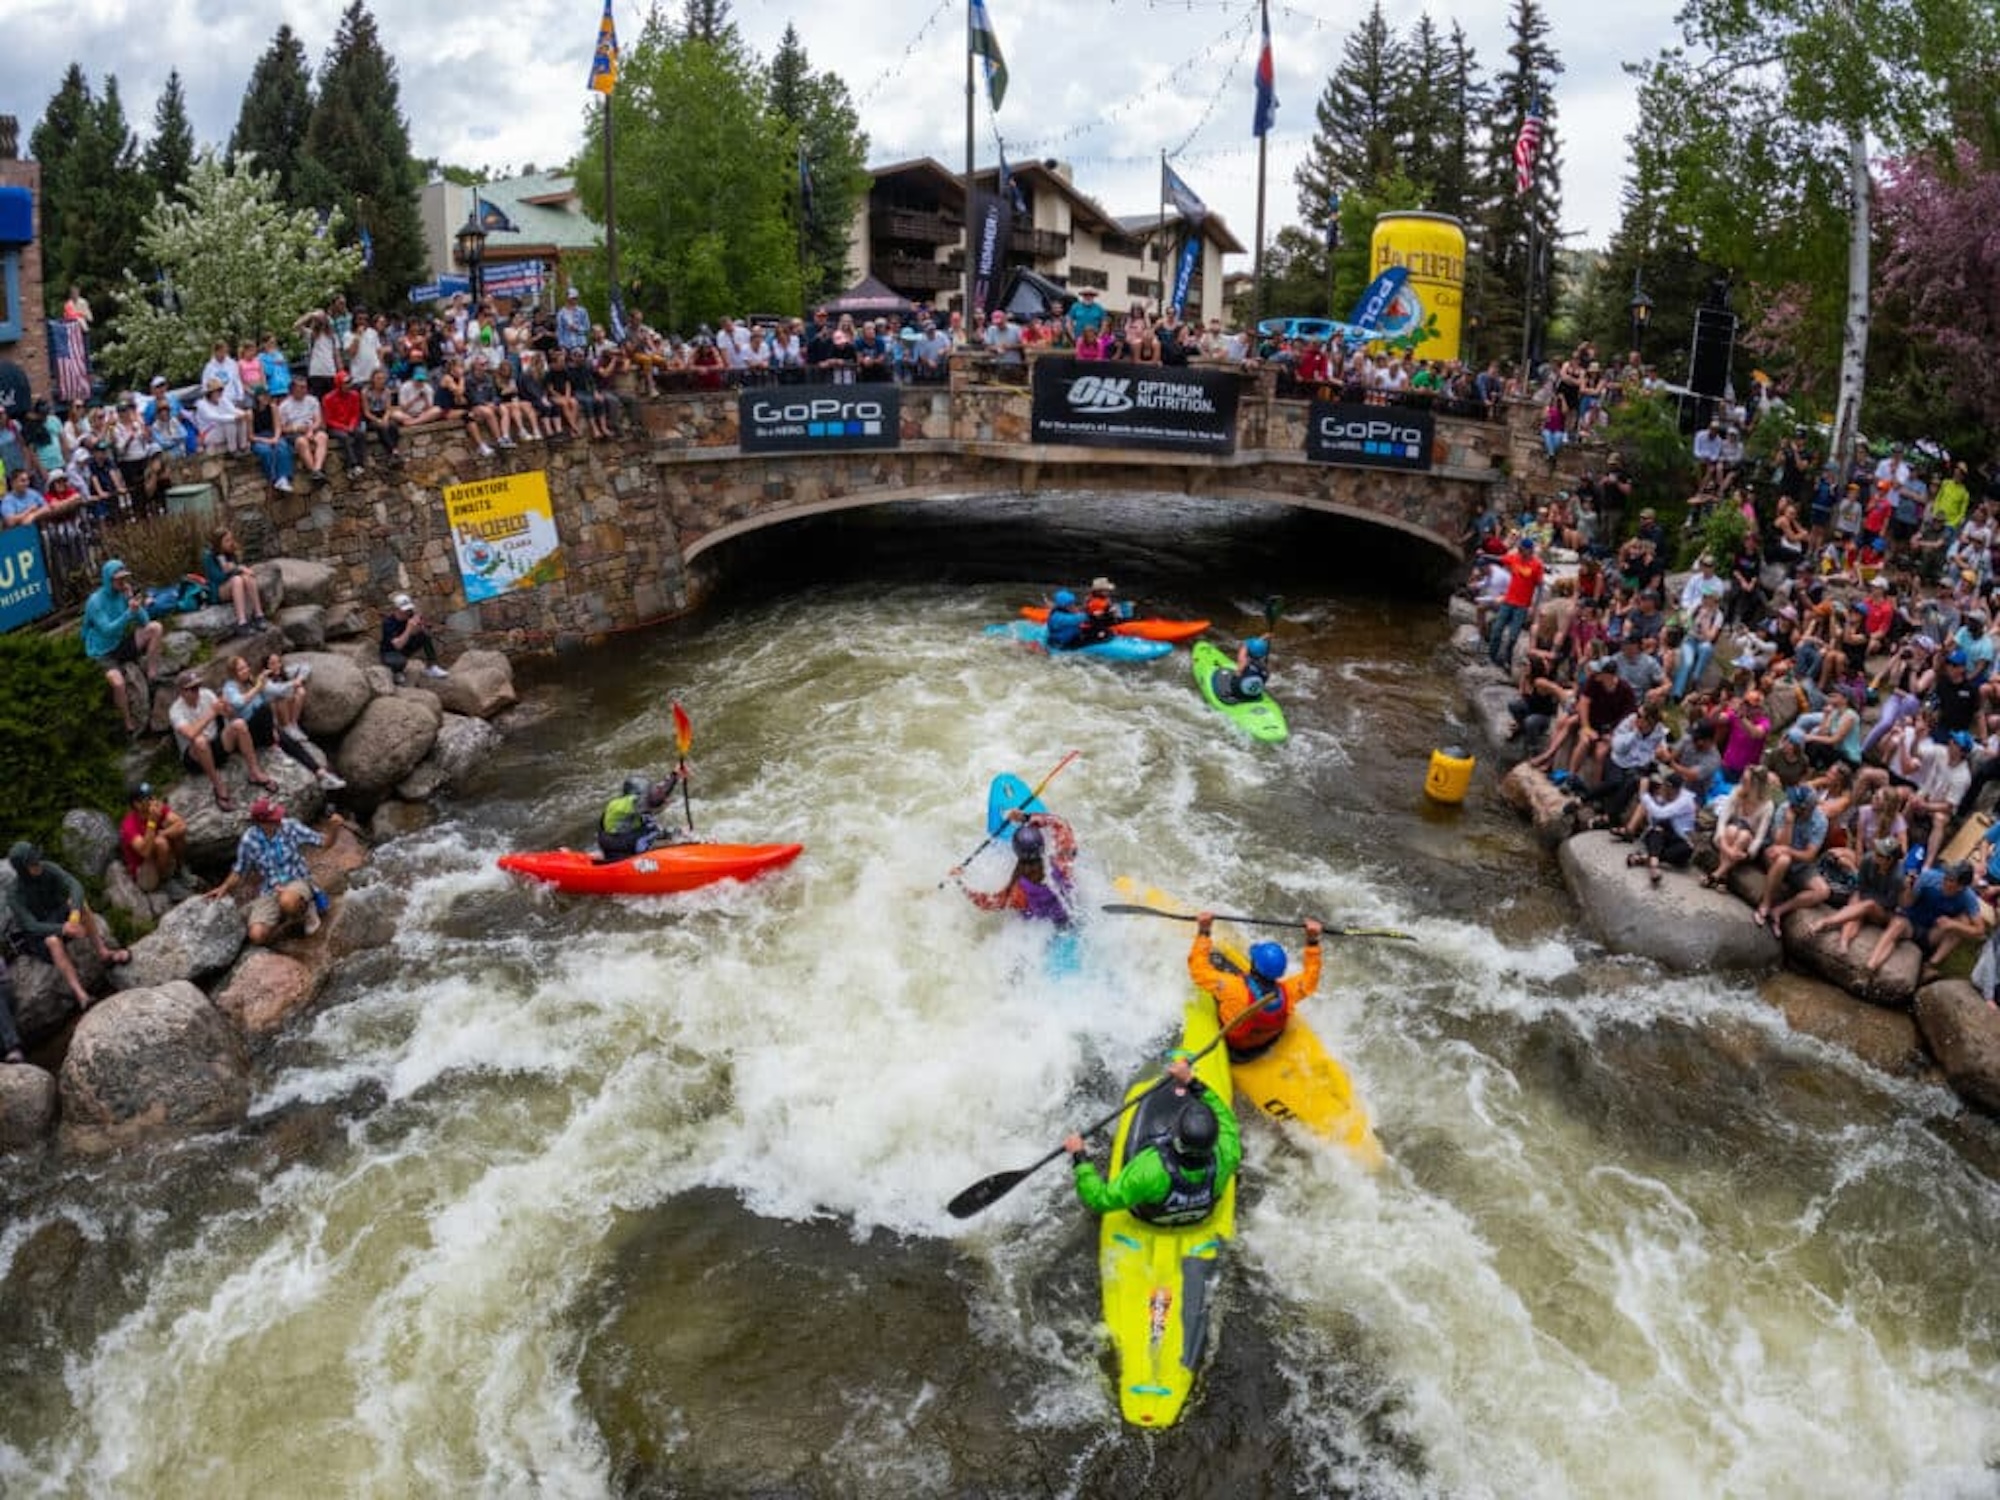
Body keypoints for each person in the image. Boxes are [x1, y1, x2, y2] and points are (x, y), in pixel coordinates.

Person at [1062, 1052, 1241, 1224]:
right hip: (1200, 1216)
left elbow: (1099, 1200)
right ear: (1215, 1138)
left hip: (1151, 1219)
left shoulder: (1149, 1169)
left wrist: (1080, 1157)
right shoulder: (1229, 1152)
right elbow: (1226, 1118)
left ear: (1176, 1136)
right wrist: (1191, 1081)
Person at [6, 841, 129, 1012]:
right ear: (23, 870)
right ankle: (81, 995)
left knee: (80, 905)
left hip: (58, 914)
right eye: (33, 863)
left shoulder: (48, 868)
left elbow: (74, 885)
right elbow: (30, 925)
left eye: (38, 860)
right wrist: (63, 929)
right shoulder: (14, 894)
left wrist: (74, 915)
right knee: (53, 941)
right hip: (39, 934)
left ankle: (103, 953)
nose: (38, 864)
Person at [1187, 911, 1322, 1059]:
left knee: (1214, 961)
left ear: (1254, 965)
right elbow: (1311, 977)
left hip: (1234, 1047)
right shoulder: (1289, 992)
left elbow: (1197, 970)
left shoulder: (1233, 987)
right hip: (1263, 1045)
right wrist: (1313, 941)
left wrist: (1204, 931)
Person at [206, 797, 339, 943]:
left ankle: (306, 908)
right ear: (260, 823)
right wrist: (224, 887)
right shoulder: (249, 840)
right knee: (257, 935)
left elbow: (324, 843)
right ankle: (284, 921)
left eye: (277, 816)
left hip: (298, 879)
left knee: (288, 900)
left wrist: (334, 829)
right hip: (271, 889)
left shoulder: (290, 826)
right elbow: (239, 870)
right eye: (273, 819)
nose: (279, 820)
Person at [169, 668, 275, 811]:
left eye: (198, 686)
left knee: (239, 724)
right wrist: (212, 712)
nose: (197, 691)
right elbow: (190, 733)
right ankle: (218, 785)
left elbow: (229, 716)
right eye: (192, 689)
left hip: (216, 744)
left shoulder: (206, 694)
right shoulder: (176, 710)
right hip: (195, 757)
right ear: (182, 692)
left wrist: (226, 708)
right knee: (200, 741)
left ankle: (254, 772)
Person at [81, 559, 165, 736]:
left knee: (155, 628)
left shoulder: (123, 594)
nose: (123, 583)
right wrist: (128, 613)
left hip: (119, 643)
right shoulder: (95, 602)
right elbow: (107, 630)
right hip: (102, 652)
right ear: (108, 580)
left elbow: (144, 621)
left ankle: (152, 675)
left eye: (124, 578)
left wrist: (132, 601)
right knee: (118, 683)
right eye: (118, 580)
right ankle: (128, 723)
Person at [952, 810, 1076, 924]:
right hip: (1071, 914)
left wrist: (960, 882)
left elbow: (986, 903)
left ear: (1016, 851)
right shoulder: (1063, 862)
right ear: (1042, 846)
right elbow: (1061, 824)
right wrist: (1026, 817)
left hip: (1041, 926)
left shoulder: (1017, 892)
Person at [118, 781, 189, 894]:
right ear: (137, 804)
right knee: (161, 843)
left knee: (176, 834)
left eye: (152, 795)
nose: (153, 800)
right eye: (148, 798)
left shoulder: (157, 808)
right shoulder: (128, 825)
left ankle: (180, 868)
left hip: (158, 853)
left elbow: (182, 826)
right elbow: (145, 852)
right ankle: (166, 881)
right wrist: (152, 822)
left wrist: (163, 833)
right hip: (143, 867)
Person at [598, 771, 687, 859]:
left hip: (629, 844)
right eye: (647, 792)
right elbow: (654, 800)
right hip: (619, 850)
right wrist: (673, 778)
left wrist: (675, 776)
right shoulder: (621, 804)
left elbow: (657, 795)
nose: (651, 793)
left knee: (667, 831)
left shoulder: (638, 811)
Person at [203, 526, 269, 636]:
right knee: (237, 580)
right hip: (218, 590)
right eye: (227, 540)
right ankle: (241, 622)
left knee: (248, 577)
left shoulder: (230, 553)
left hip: (232, 586)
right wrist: (232, 570)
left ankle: (259, 615)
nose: (231, 542)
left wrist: (240, 568)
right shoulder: (209, 556)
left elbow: (237, 568)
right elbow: (217, 578)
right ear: (218, 543)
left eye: (231, 539)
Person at [381, 592, 449, 681]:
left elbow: (418, 633)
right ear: (396, 609)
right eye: (405, 610)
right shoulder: (388, 623)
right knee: (399, 661)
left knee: (424, 635)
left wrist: (421, 626)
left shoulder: (411, 615)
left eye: (409, 609)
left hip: (405, 648)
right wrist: (409, 628)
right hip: (390, 652)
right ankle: (397, 672)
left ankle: (432, 667)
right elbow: (397, 645)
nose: (408, 612)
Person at [1211, 636, 1272, 705]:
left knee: (1231, 675)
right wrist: (1262, 639)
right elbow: (1256, 649)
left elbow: (1243, 650)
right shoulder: (1265, 668)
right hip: (1254, 695)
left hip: (1238, 693)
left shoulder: (1244, 662)